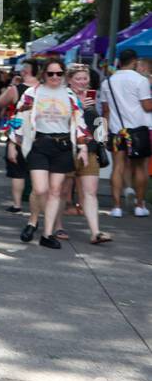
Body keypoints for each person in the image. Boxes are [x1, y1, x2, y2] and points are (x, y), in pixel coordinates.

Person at [11, 56, 90, 250]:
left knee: (56, 190)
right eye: (51, 73)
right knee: (40, 189)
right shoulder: (33, 93)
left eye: (59, 73)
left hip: (62, 146)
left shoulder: (70, 95)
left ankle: (47, 234)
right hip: (39, 144)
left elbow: (79, 122)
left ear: (64, 75)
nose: (55, 77)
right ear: (44, 74)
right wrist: (13, 143)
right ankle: (32, 220)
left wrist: (83, 147)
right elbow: (19, 116)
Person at [55, 64, 111, 245]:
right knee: (62, 191)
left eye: (85, 78)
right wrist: (79, 106)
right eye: (78, 78)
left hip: (91, 149)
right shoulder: (62, 96)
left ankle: (95, 232)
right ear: (69, 80)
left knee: (91, 192)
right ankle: (57, 226)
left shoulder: (92, 98)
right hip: (67, 149)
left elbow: (98, 123)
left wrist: (102, 131)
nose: (82, 82)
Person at [99, 48, 152, 217]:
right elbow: (147, 106)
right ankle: (139, 205)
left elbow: (105, 111)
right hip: (138, 130)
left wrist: (104, 132)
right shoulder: (141, 80)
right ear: (135, 61)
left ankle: (116, 207)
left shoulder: (108, 82)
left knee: (118, 167)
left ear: (120, 62)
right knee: (141, 167)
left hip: (116, 130)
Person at [2, 59, 42, 233]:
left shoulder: (17, 90)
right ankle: (36, 211)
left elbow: (1, 102)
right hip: (40, 139)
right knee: (38, 178)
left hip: (23, 136)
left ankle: (17, 204)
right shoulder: (43, 92)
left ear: (26, 71)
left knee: (18, 171)